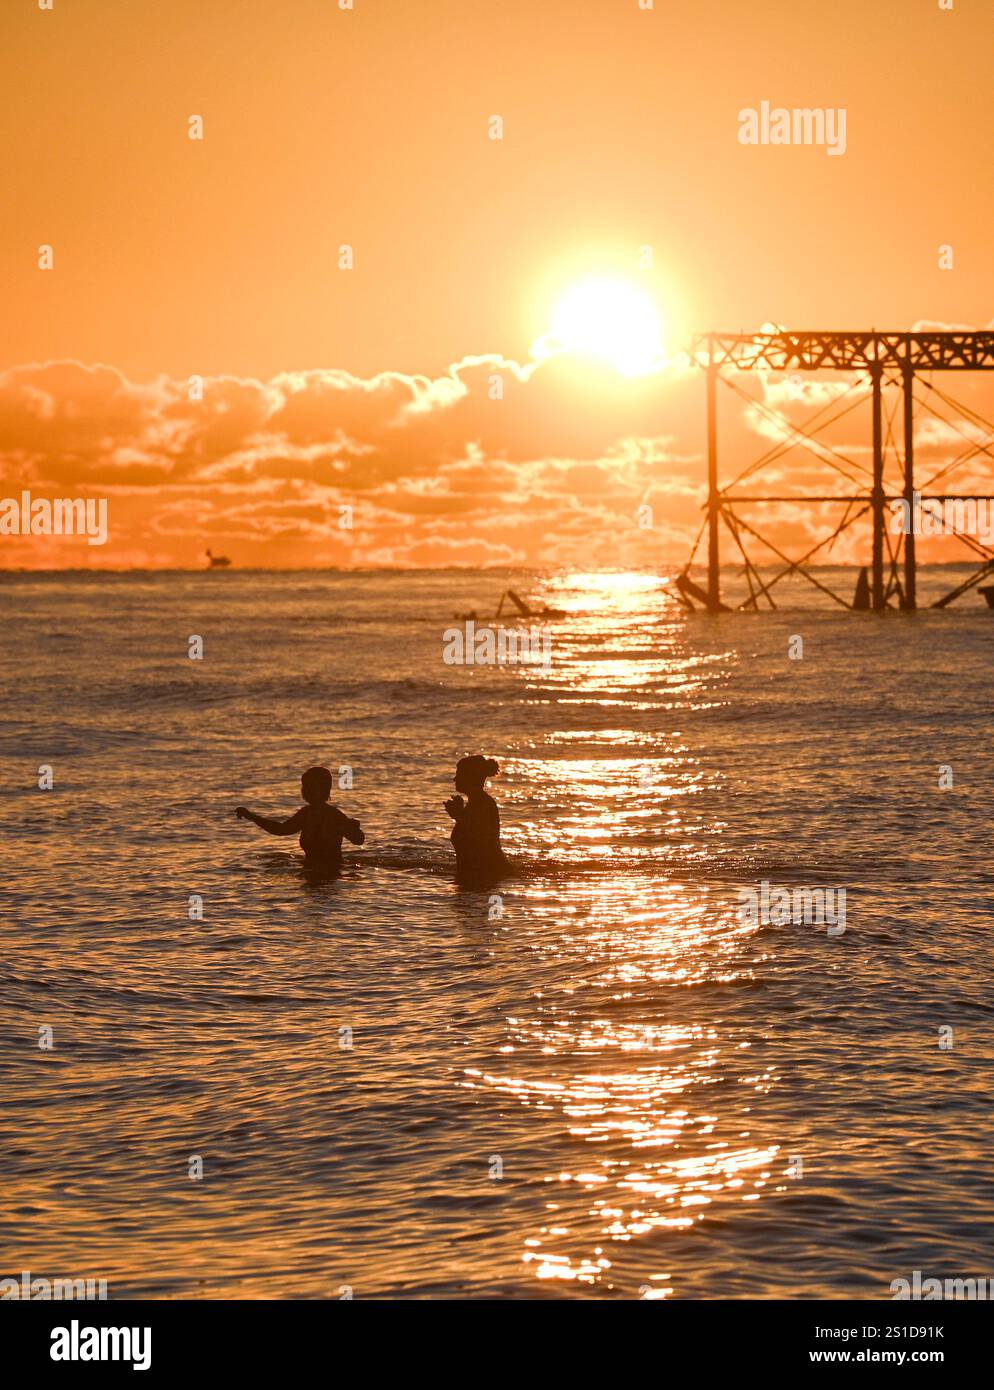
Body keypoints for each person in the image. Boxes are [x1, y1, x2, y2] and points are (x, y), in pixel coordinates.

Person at [237, 766, 364, 871]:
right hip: (309, 870)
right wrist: (251, 816)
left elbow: (358, 840)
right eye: (305, 786)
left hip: (332, 871)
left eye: (312, 787)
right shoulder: (305, 814)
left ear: (325, 789)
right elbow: (281, 829)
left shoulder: (334, 816)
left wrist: (354, 828)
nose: (306, 791)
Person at [444, 755, 508, 881]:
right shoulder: (474, 804)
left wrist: (459, 816)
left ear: (470, 777)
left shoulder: (482, 804)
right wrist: (459, 815)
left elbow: (481, 842)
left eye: (459, 774)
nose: (454, 779)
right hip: (474, 878)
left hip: (486, 876)